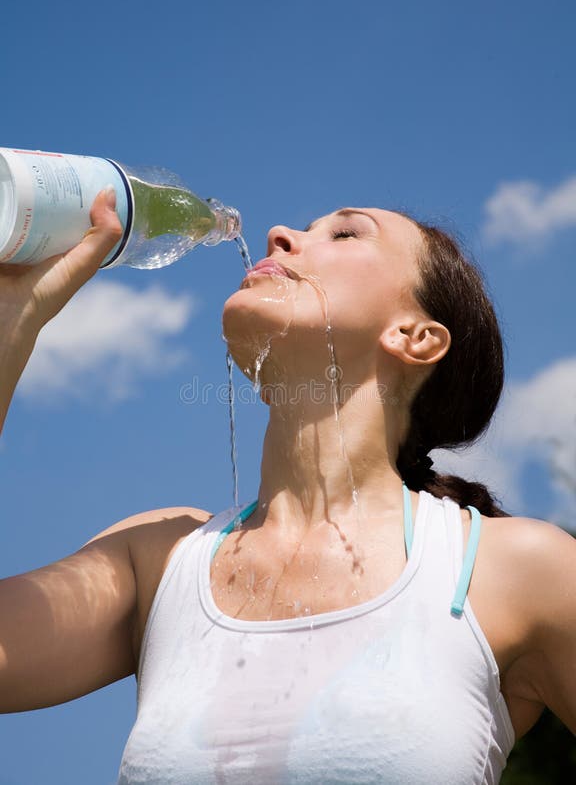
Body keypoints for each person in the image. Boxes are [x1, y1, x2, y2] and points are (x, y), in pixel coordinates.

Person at [0, 189, 575, 785]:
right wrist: (10, 321)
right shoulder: (160, 558)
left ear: (415, 336)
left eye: (346, 234)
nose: (279, 233)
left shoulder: (510, 568)